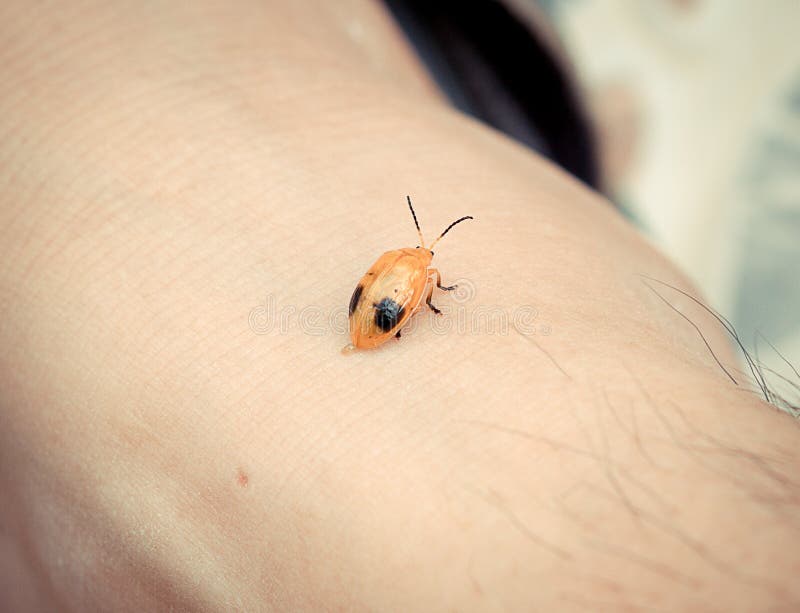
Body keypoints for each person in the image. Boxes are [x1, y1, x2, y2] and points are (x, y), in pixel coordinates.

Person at [0, 1, 797, 610]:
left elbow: (389, 288)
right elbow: (397, 288)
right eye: (428, 257)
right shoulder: (413, 275)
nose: (426, 268)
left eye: (428, 262)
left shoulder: (405, 274)